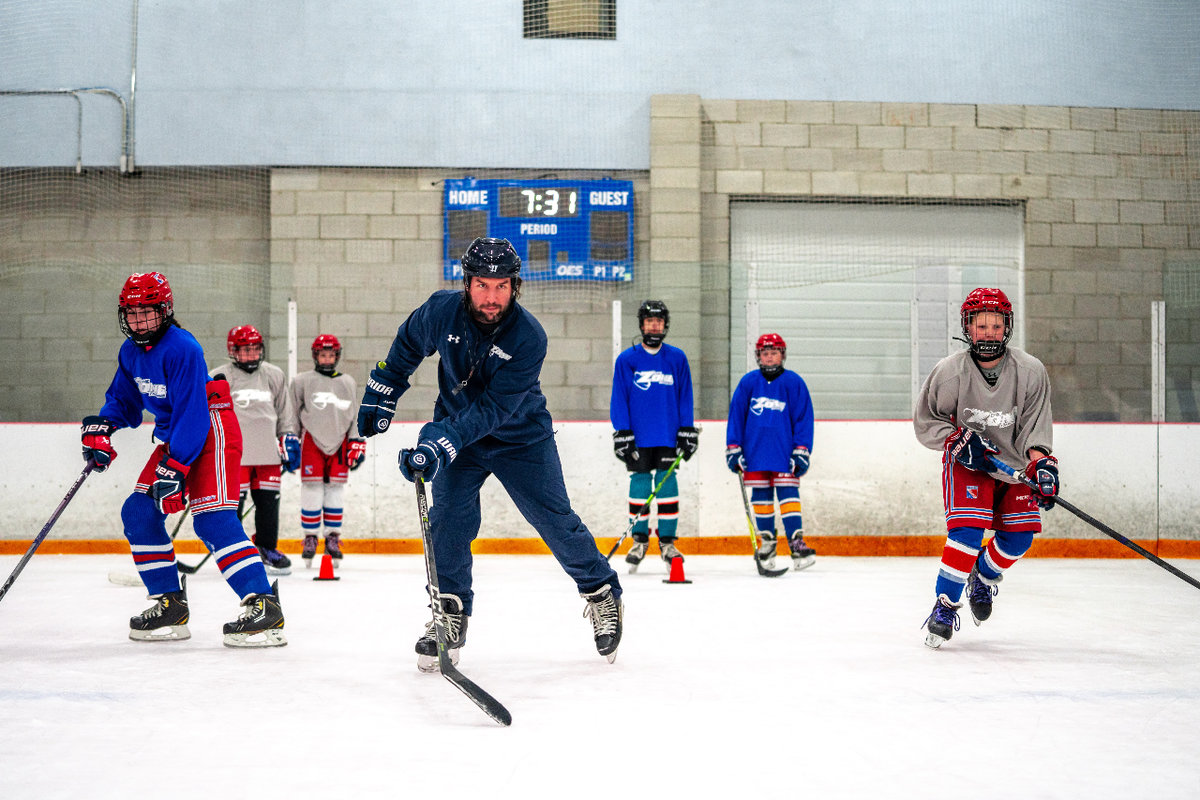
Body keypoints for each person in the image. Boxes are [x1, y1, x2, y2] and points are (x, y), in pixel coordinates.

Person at [357, 236, 624, 672]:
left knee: (554, 520)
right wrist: (384, 388)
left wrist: (440, 442)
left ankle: (600, 591)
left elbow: (495, 408)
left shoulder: (529, 337)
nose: (491, 296)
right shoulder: (441, 310)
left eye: (501, 286)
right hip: (458, 434)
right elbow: (408, 344)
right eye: (482, 285)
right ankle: (449, 613)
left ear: (515, 287)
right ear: (467, 284)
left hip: (521, 438)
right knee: (449, 520)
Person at [80, 272, 286, 647]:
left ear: (166, 310)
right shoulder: (130, 353)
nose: (140, 321)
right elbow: (123, 401)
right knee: (139, 512)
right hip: (178, 435)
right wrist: (102, 426)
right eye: (132, 313)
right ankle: (170, 605)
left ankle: (263, 605)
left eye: (148, 313)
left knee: (212, 520)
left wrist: (175, 466)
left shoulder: (182, 348)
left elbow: (193, 412)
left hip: (211, 429)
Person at [914, 287, 1058, 648]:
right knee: (967, 532)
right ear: (968, 327)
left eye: (996, 325)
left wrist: (1041, 465)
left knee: (1019, 537)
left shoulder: (1030, 371)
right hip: (967, 466)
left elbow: (1035, 431)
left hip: (1013, 466)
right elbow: (927, 421)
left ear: (1006, 327)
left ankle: (983, 573)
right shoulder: (949, 373)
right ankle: (944, 605)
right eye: (982, 325)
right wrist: (955, 441)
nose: (989, 332)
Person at [609, 299, 699, 571]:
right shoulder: (627, 359)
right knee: (639, 484)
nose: (654, 325)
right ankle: (639, 540)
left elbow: (685, 396)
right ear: (642, 325)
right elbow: (619, 398)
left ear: (665, 325)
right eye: (649, 321)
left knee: (667, 485)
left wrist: (687, 429)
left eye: (659, 321)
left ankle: (668, 543)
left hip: (668, 436)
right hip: (639, 436)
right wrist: (622, 431)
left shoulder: (677, 358)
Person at [209, 324, 300, 576]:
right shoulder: (218, 376)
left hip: (268, 455)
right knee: (231, 507)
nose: (251, 354)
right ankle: (232, 551)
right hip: (233, 456)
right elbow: (209, 416)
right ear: (233, 351)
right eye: (245, 350)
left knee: (268, 506)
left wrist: (289, 439)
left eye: (255, 349)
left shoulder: (273, 374)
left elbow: (284, 412)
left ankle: (267, 548)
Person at [725, 333, 816, 570]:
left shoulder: (794, 382)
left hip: (785, 454)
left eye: (774, 353)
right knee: (761, 500)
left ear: (782, 355)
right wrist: (734, 448)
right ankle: (767, 542)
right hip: (754, 455)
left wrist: (802, 449)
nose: (769, 357)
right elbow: (736, 417)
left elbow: (803, 419)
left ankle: (796, 544)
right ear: (758, 357)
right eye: (765, 353)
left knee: (789, 498)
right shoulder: (748, 383)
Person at [289, 334, 365, 568]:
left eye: (331, 355)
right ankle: (310, 537)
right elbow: (292, 413)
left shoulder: (348, 382)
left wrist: (356, 441)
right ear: (315, 356)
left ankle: (332, 537)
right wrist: (290, 440)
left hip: (340, 442)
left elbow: (354, 416)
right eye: (323, 355)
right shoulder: (302, 381)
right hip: (311, 440)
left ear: (337, 356)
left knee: (335, 490)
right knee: (311, 488)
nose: (327, 359)